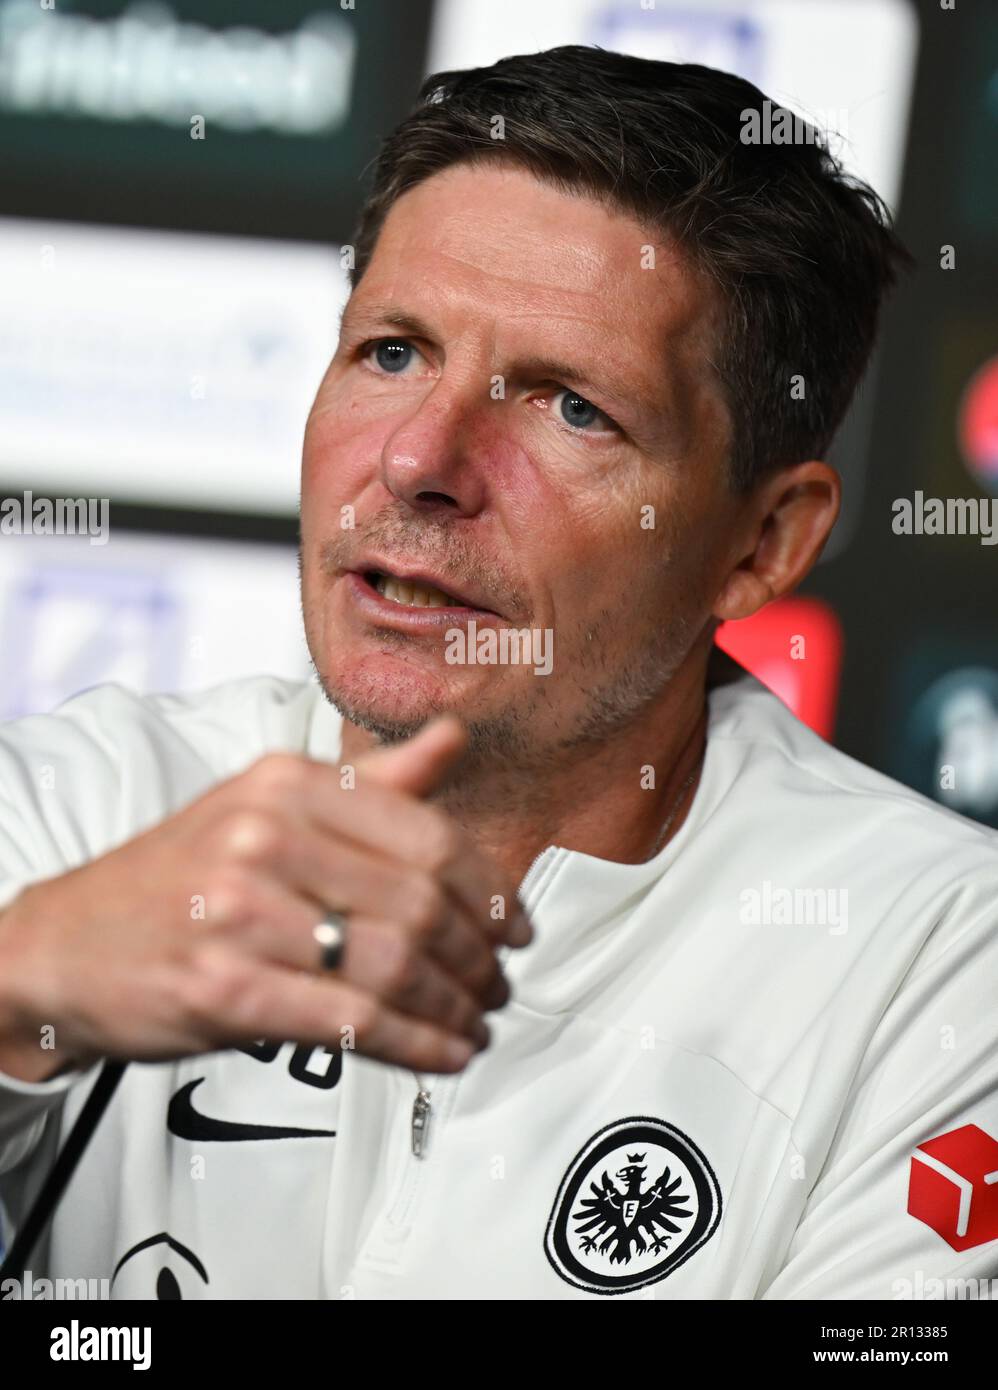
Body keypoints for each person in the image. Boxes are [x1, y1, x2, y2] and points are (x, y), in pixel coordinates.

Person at [0, 46, 994, 1301]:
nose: (420, 457)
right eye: (393, 352)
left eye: (570, 407)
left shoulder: (940, 965)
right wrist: (19, 988)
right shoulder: (81, 809)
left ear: (759, 543)